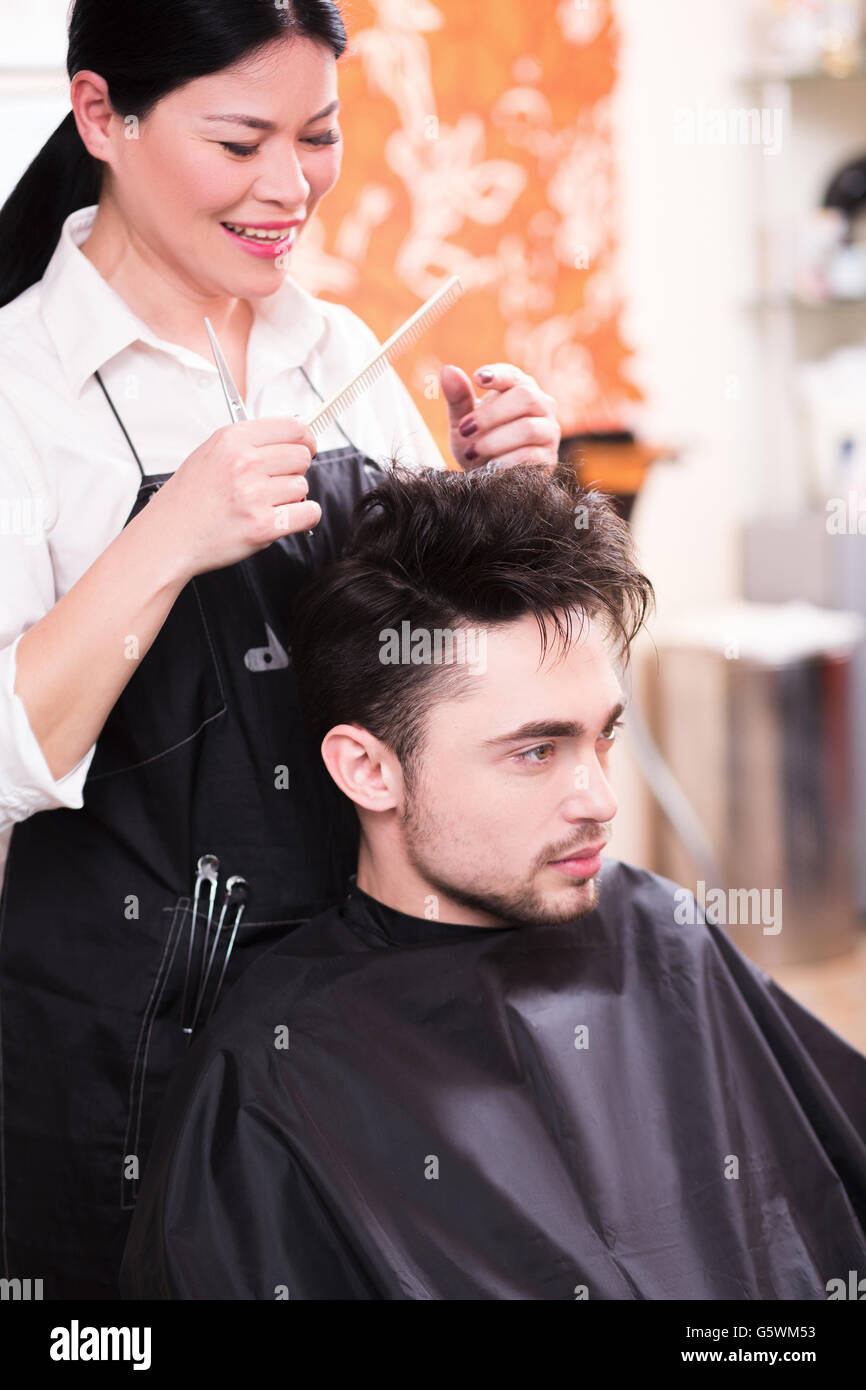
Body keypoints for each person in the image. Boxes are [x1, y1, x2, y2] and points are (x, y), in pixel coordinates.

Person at [0, 0, 561, 1299]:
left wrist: (511, 504)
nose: (289, 186)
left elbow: (442, 681)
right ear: (101, 116)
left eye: (317, 136)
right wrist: (170, 535)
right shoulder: (25, 388)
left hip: (358, 1015)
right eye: (240, 139)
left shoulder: (344, 353)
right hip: (125, 1051)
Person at [120, 462, 866, 1300]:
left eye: (603, 736)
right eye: (536, 751)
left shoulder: (661, 930)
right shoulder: (274, 1074)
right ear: (369, 770)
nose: (600, 800)